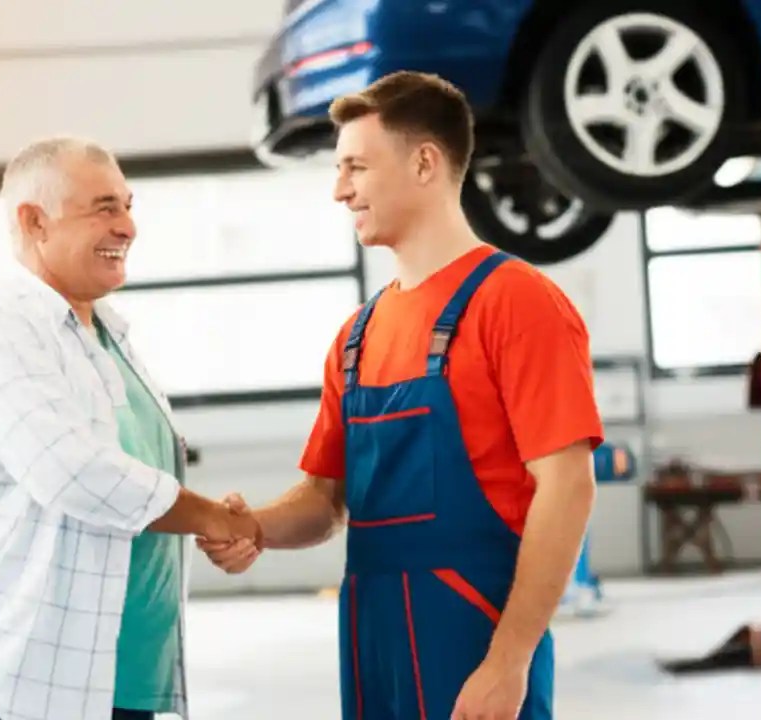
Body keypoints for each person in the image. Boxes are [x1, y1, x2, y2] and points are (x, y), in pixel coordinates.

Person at [200, 71, 603, 720]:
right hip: (372, 637)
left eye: (356, 166)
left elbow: (568, 485)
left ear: (424, 162)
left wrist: (510, 660)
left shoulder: (517, 302)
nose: (339, 190)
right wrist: (252, 528)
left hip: (473, 638)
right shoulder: (355, 337)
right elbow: (324, 500)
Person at [0, 136, 260, 720]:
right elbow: (68, 469)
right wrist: (210, 517)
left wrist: (219, 522)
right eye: (105, 208)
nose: (128, 226)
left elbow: (139, 478)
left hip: (115, 679)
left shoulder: (108, 335)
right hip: (19, 678)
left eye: (128, 206)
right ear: (35, 222)